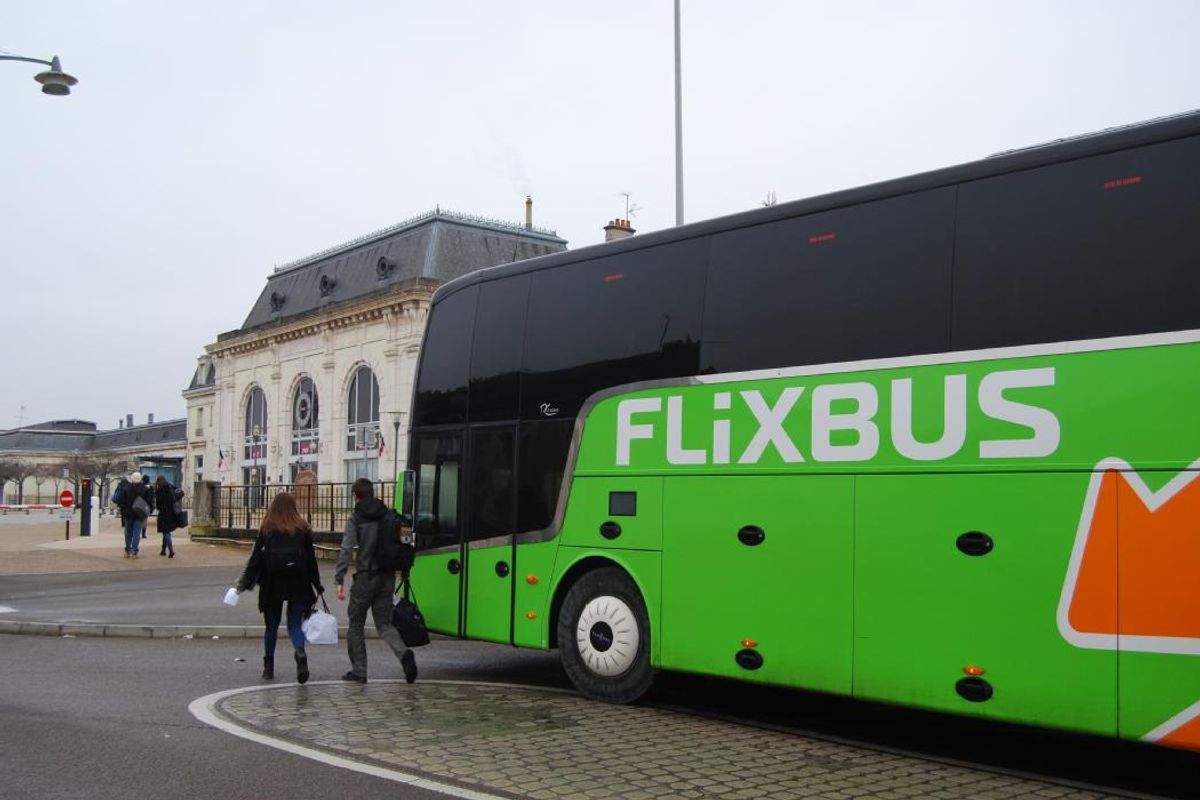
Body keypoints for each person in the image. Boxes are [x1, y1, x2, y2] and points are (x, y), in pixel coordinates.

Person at [334, 478, 417, 684]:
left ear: (356, 496)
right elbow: (406, 541)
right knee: (384, 624)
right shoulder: (389, 515)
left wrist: (339, 578)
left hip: (365, 577)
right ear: (373, 493)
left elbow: (346, 549)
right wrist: (405, 570)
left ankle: (359, 671)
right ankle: (404, 654)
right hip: (387, 576)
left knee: (355, 623)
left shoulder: (356, 518)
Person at [235, 492, 323, 683]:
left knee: (271, 627)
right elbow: (310, 560)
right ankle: (300, 652)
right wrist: (317, 584)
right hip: (298, 582)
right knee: (294, 625)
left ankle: (268, 667)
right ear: (293, 507)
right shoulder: (302, 528)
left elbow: (256, 560)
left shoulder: (267, 528)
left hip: (272, 583)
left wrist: (243, 585)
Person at [118, 471, 152, 558]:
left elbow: (121, 502)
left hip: (128, 514)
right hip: (139, 515)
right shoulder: (145, 489)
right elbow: (149, 502)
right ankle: (134, 551)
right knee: (136, 533)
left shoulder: (126, 488)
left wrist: (124, 512)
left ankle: (128, 550)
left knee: (128, 533)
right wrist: (147, 513)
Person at [153, 476, 179, 558]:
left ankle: (171, 550)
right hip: (171, 513)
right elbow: (178, 492)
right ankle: (163, 550)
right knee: (166, 531)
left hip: (163, 513)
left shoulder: (159, 491)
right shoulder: (170, 487)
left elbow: (157, 506)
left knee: (166, 532)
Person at [140, 473, 154, 539]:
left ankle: (138, 531)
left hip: (140, 504)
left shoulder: (140, 486)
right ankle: (143, 533)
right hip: (146, 505)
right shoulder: (150, 487)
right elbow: (152, 497)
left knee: (139, 519)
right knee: (145, 519)